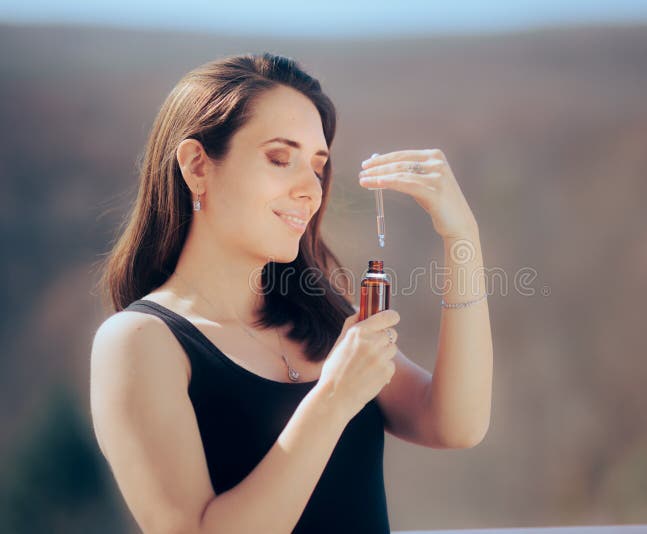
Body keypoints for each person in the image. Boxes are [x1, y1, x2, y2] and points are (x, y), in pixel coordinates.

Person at [90, 52, 493, 533]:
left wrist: (461, 236)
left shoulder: (324, 319)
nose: (311, 189)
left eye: (318, 167)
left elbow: (456, 424)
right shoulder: (138, 343)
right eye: (280, 159)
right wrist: (333, 399)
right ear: (197, 166)